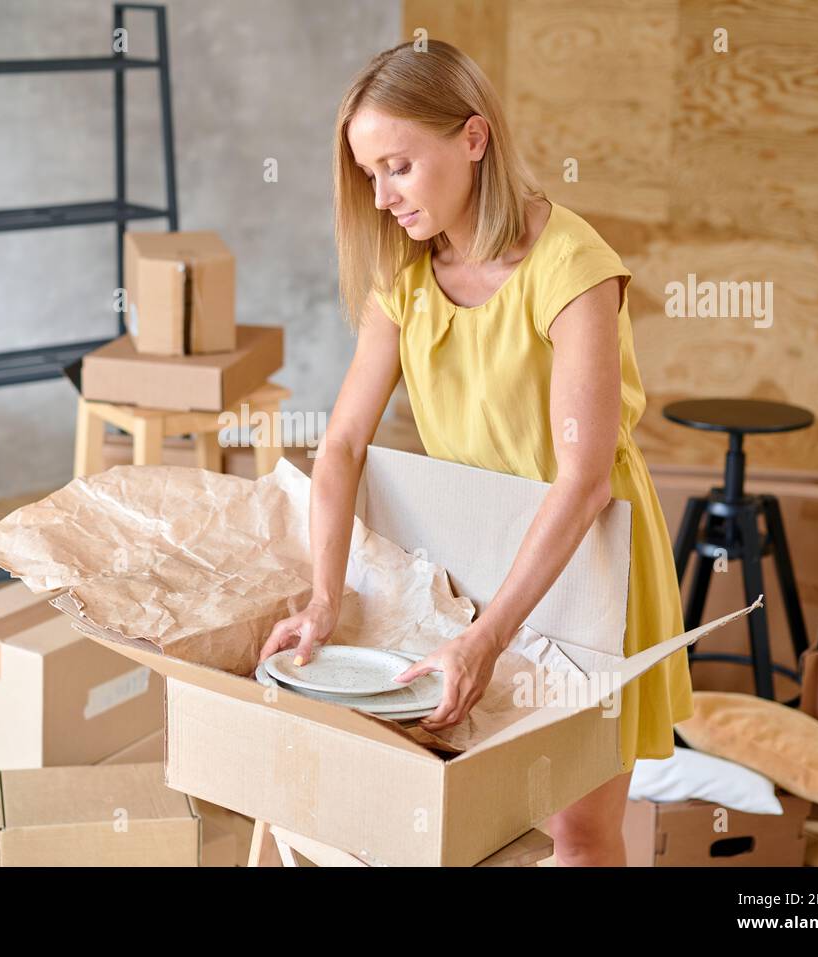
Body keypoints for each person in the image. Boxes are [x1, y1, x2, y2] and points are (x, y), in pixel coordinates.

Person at [258, 40, 692, 867]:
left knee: (579, 831)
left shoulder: (573, 270)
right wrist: (322, 596)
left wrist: (487, 641)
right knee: (471, 816)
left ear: (474, 138)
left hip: (585, 563)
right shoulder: (406, 276)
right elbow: (343, 443)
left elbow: (584, 480)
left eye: (398, 167)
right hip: (474, 555)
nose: (382, 198)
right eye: (368, 175)